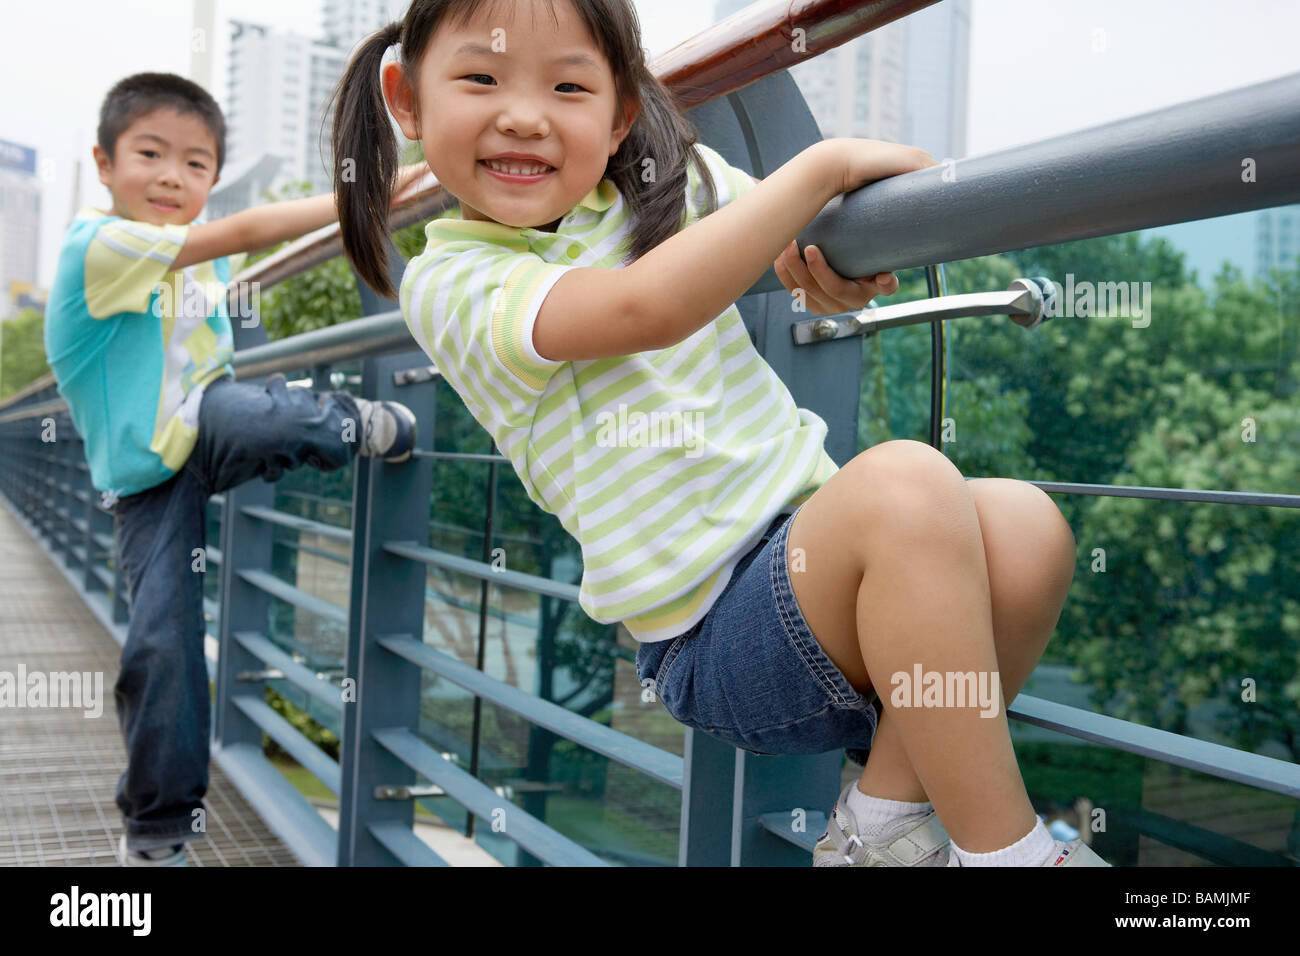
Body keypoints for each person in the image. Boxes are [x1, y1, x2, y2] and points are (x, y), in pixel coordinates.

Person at [331, 0, 1108, 867]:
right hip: (713, 636)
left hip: (820, 578)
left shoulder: (667, 186)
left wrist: (829, 266)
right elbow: (647, 304)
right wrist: (819, 168)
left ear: (620, 112)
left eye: (569, 86)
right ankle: (1016, 855)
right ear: (406, 98)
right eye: (480, 78)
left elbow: (794, 235)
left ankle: (881, 829)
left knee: (1028, 525)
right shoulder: (453, 281)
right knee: (904, 481)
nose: (524, 114)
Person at [44, 72, 423, 866]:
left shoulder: (195, 257)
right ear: (104, 162)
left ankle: (346, 422)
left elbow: (227, 282)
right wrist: (366, 200)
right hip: (146, 479)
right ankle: (158, 830)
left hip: (209, 426)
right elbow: (241, 230)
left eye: (195, 164)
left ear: (211, 176)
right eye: (150, 154)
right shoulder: (97, 245)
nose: (172, 178)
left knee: (247, 409)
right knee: (162, 645)